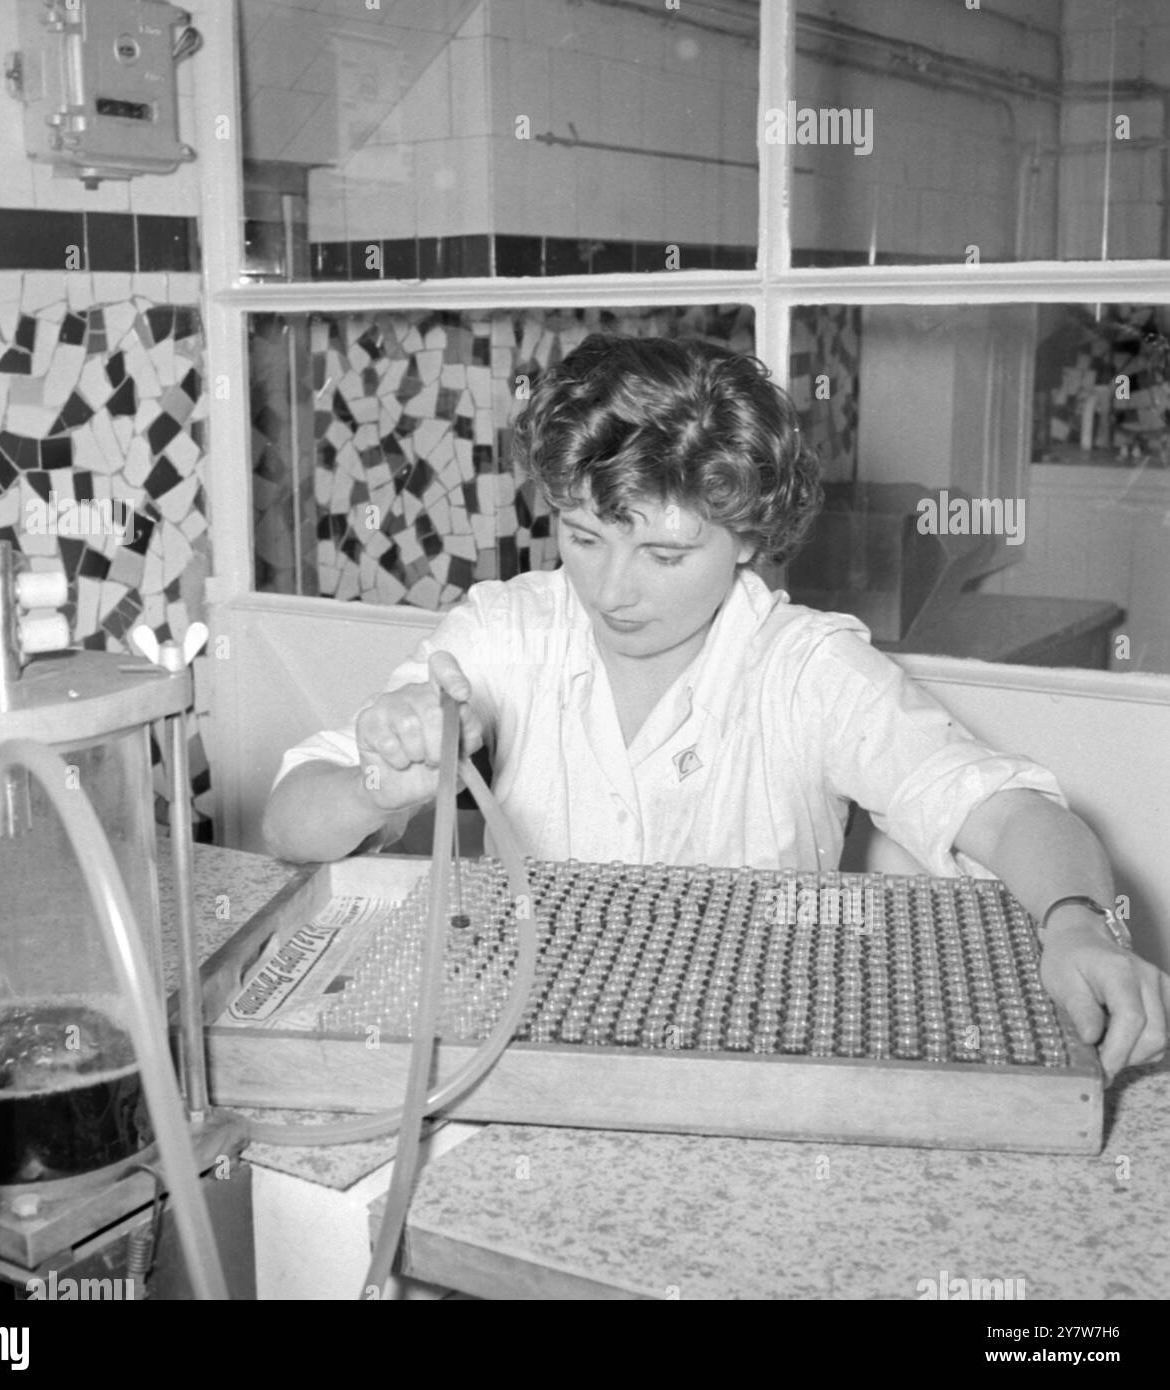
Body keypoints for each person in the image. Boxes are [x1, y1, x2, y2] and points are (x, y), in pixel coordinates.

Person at [264, 333, 1170, 1079]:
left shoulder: (805, 671)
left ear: (747, 538)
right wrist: (380, 788)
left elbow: (1009, 814)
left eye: (664, 556)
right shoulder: (505, 633)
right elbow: (290, 821)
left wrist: (1078, 925)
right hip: (530, 1053)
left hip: (758, 1058)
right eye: (582, 537)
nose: (612, 590)